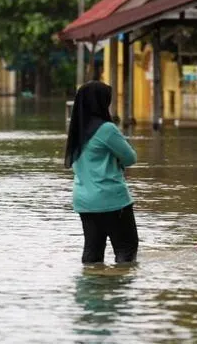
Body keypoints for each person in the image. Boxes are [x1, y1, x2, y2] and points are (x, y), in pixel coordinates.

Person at [66, 81, 139, 264]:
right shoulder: (106, 129)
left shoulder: (77, 130)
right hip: (111, 199)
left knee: (92, 252)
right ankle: (120, 292)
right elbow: (130, 158)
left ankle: (91, 288)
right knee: (126, 249)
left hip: (84, 201)